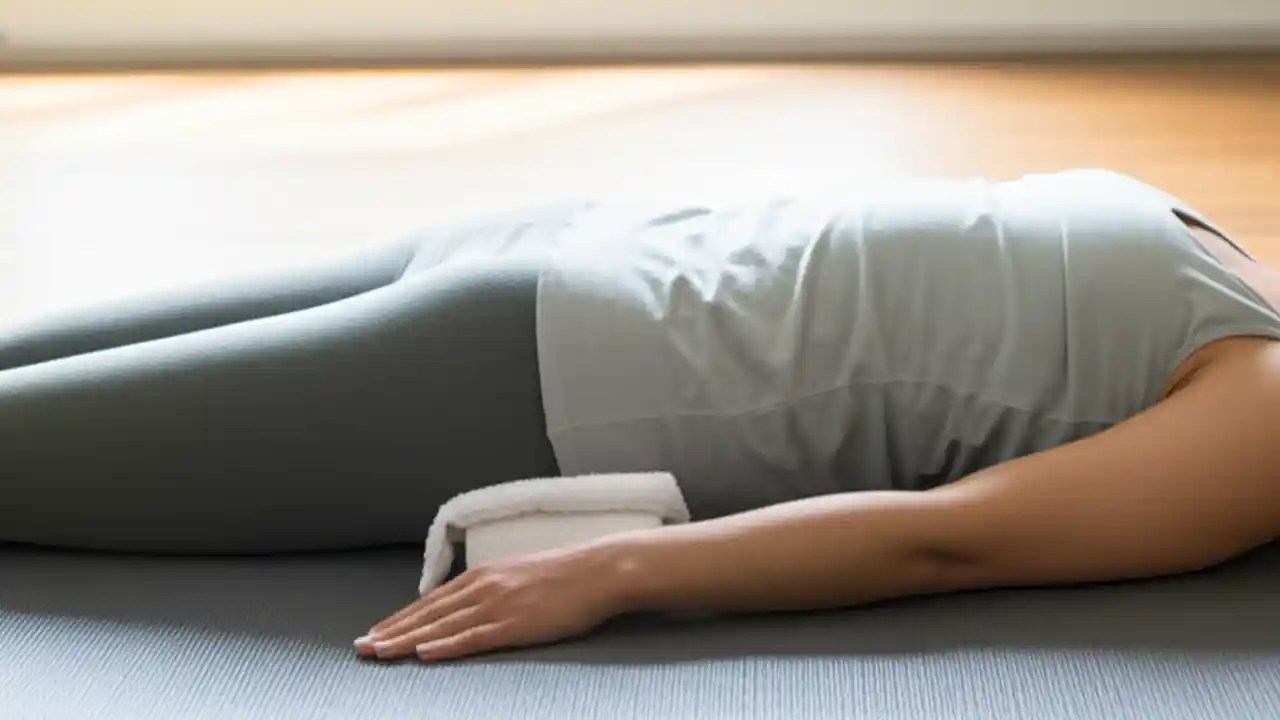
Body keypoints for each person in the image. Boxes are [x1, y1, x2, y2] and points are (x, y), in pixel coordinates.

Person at [2, 169, 1278, 664]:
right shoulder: (1255, 418)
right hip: (538, 370)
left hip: (551, 247)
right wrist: (618, 571)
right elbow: (948, 539)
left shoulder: (1202, 245)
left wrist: (626, 566)